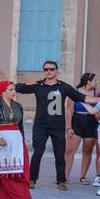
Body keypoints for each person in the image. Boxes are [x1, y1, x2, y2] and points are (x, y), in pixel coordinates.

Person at [16, 60, 90, 190]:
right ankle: (32, 179)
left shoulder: (64, 87)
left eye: (51, 69)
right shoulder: (37, 85)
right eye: (46, 69)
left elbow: (80, 97)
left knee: (59, 154)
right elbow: (17, 88)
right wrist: (25, 83)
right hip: (40, 125)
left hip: (57, 126)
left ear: (56, 71)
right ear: (43, 71)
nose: (49, 71)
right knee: (38, 152)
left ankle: (61, 181)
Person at [66, 73, 100, 185]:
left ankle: (83, 176)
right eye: (95, 80)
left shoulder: (97, 93)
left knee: (87, 150)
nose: (97, 82)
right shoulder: (75, 92)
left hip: (92, 122)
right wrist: (69, 127)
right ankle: (64, 176)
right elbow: (69, 110)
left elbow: (99, 110)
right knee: (70, 150)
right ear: (88, 81)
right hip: (77, 120)